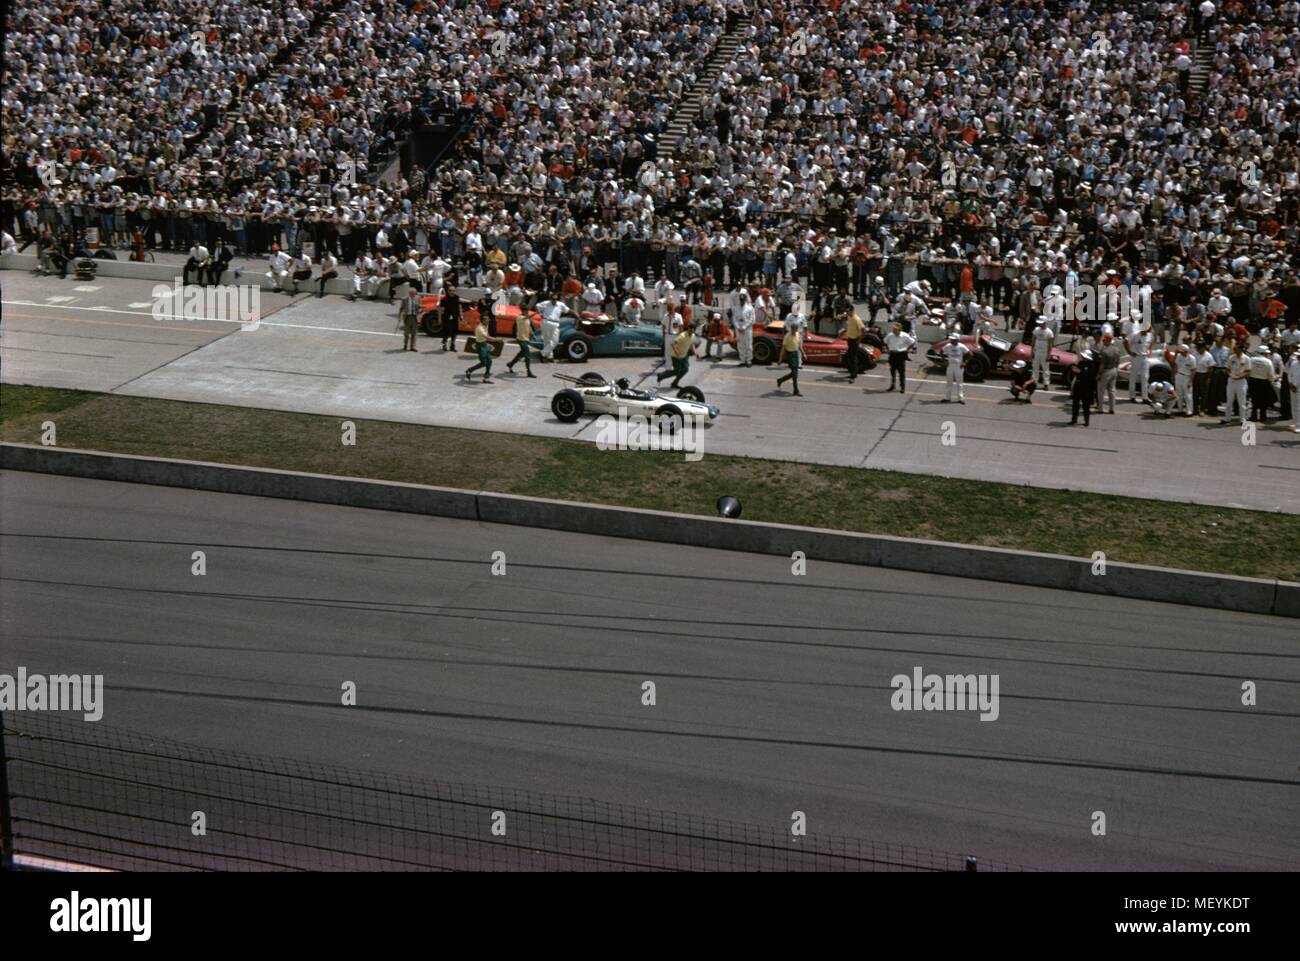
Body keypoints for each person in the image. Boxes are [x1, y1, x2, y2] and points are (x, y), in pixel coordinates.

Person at [656, 321, 697, 388]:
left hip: (684, 356)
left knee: (685, 370)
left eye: (693, 329)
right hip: (676, 356)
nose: (691, 330)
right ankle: (661, 376)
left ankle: (674, 383)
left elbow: (692, 343)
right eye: (690, 328)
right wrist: (677, 353)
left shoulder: (693, 335)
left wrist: (695, 352)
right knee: (676, 371)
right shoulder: (682, 336)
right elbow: (673, 344)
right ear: (688, 328)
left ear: (694, 330)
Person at [465, 313, 499, 383]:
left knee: (489, 361)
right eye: (487, 319)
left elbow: (487, 335)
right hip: (480, 346)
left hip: (485, 345)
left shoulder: (486, 325)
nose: (488, 320)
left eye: (488, 319)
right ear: (482, 321)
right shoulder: (479, 328)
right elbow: (487, 337)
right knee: (483, 363)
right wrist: (497, 340)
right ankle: (469, 370)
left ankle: (486, 378)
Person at [1223, 340, 1251, 425]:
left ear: (1241, 349)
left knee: (1242, 402)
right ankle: (1227, 418)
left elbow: (1248, 371)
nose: (1235, 350)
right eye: (1235, 348)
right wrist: (1230, 375)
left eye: (1236, 349)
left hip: (1241, 382)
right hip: (1231, 381)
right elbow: (1227, 369)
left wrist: (1239, 376)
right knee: (1229, 401)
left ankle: (1242, 419)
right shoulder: (1231, 357)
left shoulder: (1246, 358)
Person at [1247, 345, 1278, 423]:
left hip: (1253, 381)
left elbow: (1248, 370)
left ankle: (1253, 416)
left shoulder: (1251, 359)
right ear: (1264, 353)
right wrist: (1272, 380)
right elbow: (1271, 375)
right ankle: (1262, 417)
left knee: (1254, 399)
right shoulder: (1268, 362)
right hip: (1264, 382)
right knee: (1263, 400)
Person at [535, 296, 570, 362]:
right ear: (550, 299)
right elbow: (537, 306)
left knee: (555, 341)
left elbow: (567, 310)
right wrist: (540, 313)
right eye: (553, 299)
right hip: (546, 321)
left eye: (556, 299)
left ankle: (543, 353)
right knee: (546, 340)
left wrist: (576, 314)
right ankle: (550, 356)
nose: (554, 300)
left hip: (555, 323)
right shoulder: (546, 303)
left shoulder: (560, 304)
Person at [776, 315, 804, 396]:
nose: (793, 331)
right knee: (795, 374)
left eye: (795, 329)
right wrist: (780, 359)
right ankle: (796, 390)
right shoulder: (787, 336)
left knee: (794, 373)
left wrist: (803, 353)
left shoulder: (798, 335)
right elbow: (783, 349)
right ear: (791, 328)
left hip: (796, 354)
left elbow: (799, 345)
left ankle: (780, 380)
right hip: (790, 355)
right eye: (792, 329)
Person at [505, 307, 537, 377]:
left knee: (521, 354)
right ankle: (529, 371)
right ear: (524, 311)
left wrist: (532, 334)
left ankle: (511, 364)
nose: (528, 312)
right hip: (521, 339)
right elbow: (527, 317)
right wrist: (536, 312)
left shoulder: (527, 319)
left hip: (526, 339)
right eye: (526, 311)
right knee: (528, 356)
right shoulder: (520, 318)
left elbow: (529, 327)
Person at [1094, 332, 1122, 414]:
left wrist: (1099, 374)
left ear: (1107, 341)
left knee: (1101, 390)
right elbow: (1118, 361)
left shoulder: (1105, 351)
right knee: (1112, 390)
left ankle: (1100, 409)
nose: (1103, 342)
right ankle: (1112, 408)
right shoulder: (1116, 349)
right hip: (1114, 369)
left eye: (1104, 340)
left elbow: (1102, 365)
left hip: (1106, 371)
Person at [1069, 350, 1099, 426]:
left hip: (1087, 387)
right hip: (1078, 385)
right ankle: (1074, 419)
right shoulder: (1081, 363)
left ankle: (1086, 421)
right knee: (1075, 404)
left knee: (1086, 405)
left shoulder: (1092, 365)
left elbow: (1089, 376)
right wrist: (1074, 370)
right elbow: (1076, 372)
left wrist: (1080, 372)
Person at [884, 322, 915, 392]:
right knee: (892, 371)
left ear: (900, 330)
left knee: (901, 372)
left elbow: (912, 342)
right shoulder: (890, 335)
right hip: (893, 354)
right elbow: (885, 342)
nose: (894, 330)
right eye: (893, 329)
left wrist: (907, 350)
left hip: (901, 354)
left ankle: (902, 387)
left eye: (896, 329)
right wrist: (888, 349)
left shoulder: (905, 335)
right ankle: (893, 385)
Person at [1126, 324, 1153, 403]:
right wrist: (1129, 352)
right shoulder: (1135, 334)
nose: (1147, 331)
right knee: (1133, 377)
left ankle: (1145, 398)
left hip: (1145, 357)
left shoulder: (1150, 335)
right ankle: (1132, 396)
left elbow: (1152, 342)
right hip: (1136, 357)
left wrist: (1150, 350)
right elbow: (1125, 341)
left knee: (1145, 377)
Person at [732, 289, 755, 367]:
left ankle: (748, 360)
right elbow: (734, 319)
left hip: (747, 329)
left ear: (745, 299)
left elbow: (752, 319)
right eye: (740, 300)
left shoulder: (750, 308)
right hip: (738, 329)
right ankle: (742, 360)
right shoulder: (735, 308)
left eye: (743, 300)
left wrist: (744, 327)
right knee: (740, 345)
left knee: (748, 345)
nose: (742, 301)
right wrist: (738, 327)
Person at [1172, 344, 1197, 415]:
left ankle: (1189, 411)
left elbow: (1193, 370)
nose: (1181, 353)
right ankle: (1180, 409)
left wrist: (1190, 381)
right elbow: (1176, 366)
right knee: (1179, 394)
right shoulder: (1179, 356)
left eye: (1182, 351)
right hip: (1179, 375)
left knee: (1188, 395)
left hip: (1187, 377)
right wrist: (1174, 376)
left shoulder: (1192, 358)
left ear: (1186, 351)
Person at [1031, 317, 1054, 386]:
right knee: (1035, 367)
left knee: (1045, 368)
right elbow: (1033, 340)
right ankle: (1034, 381)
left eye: (1042, 323)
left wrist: (1048, 354)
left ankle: (1046, 383)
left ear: (1045, 323)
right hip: (1037, 351)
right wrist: (1032, 351)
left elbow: (1050, 344)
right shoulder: (1036, 330)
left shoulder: (1049, 332)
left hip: (1044, 352)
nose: (1040, 325)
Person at [439, 283, 462, 351]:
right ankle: (444, 344)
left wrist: (461, 316)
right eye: (450, 290)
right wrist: (439, 318)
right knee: (446, 331)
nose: (452, 292)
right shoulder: (444, 299)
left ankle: (452, 345)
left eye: (453, 290)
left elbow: (459, 307)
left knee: (454, 331)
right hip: (446, 317)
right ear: (447, 291)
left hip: (454, 317)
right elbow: (441, 310)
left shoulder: (457, 298)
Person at [398, 287, 421, 352]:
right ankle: (405, 345)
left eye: (414, 294)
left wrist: (419, 306)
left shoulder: (418, 298)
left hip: (415, 317)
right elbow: (401, 308)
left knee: (414, 333)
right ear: (409, 294)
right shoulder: (404, 299)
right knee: (406, 333)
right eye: (412, 294)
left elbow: (421, 307)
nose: (413, 295)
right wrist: (399, 317)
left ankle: (412, 346)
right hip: (407, 317)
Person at [1287, 350, 1300, 432]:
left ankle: (1299, 425)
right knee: (1293, 405)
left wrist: (1296, 386)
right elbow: (1289, 374)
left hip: (1299, 388)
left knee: (1299, 407)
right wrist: (1291, 383)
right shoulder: (1294, 363)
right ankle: (1294, 422)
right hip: (1293, 387)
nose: (1298, 357)